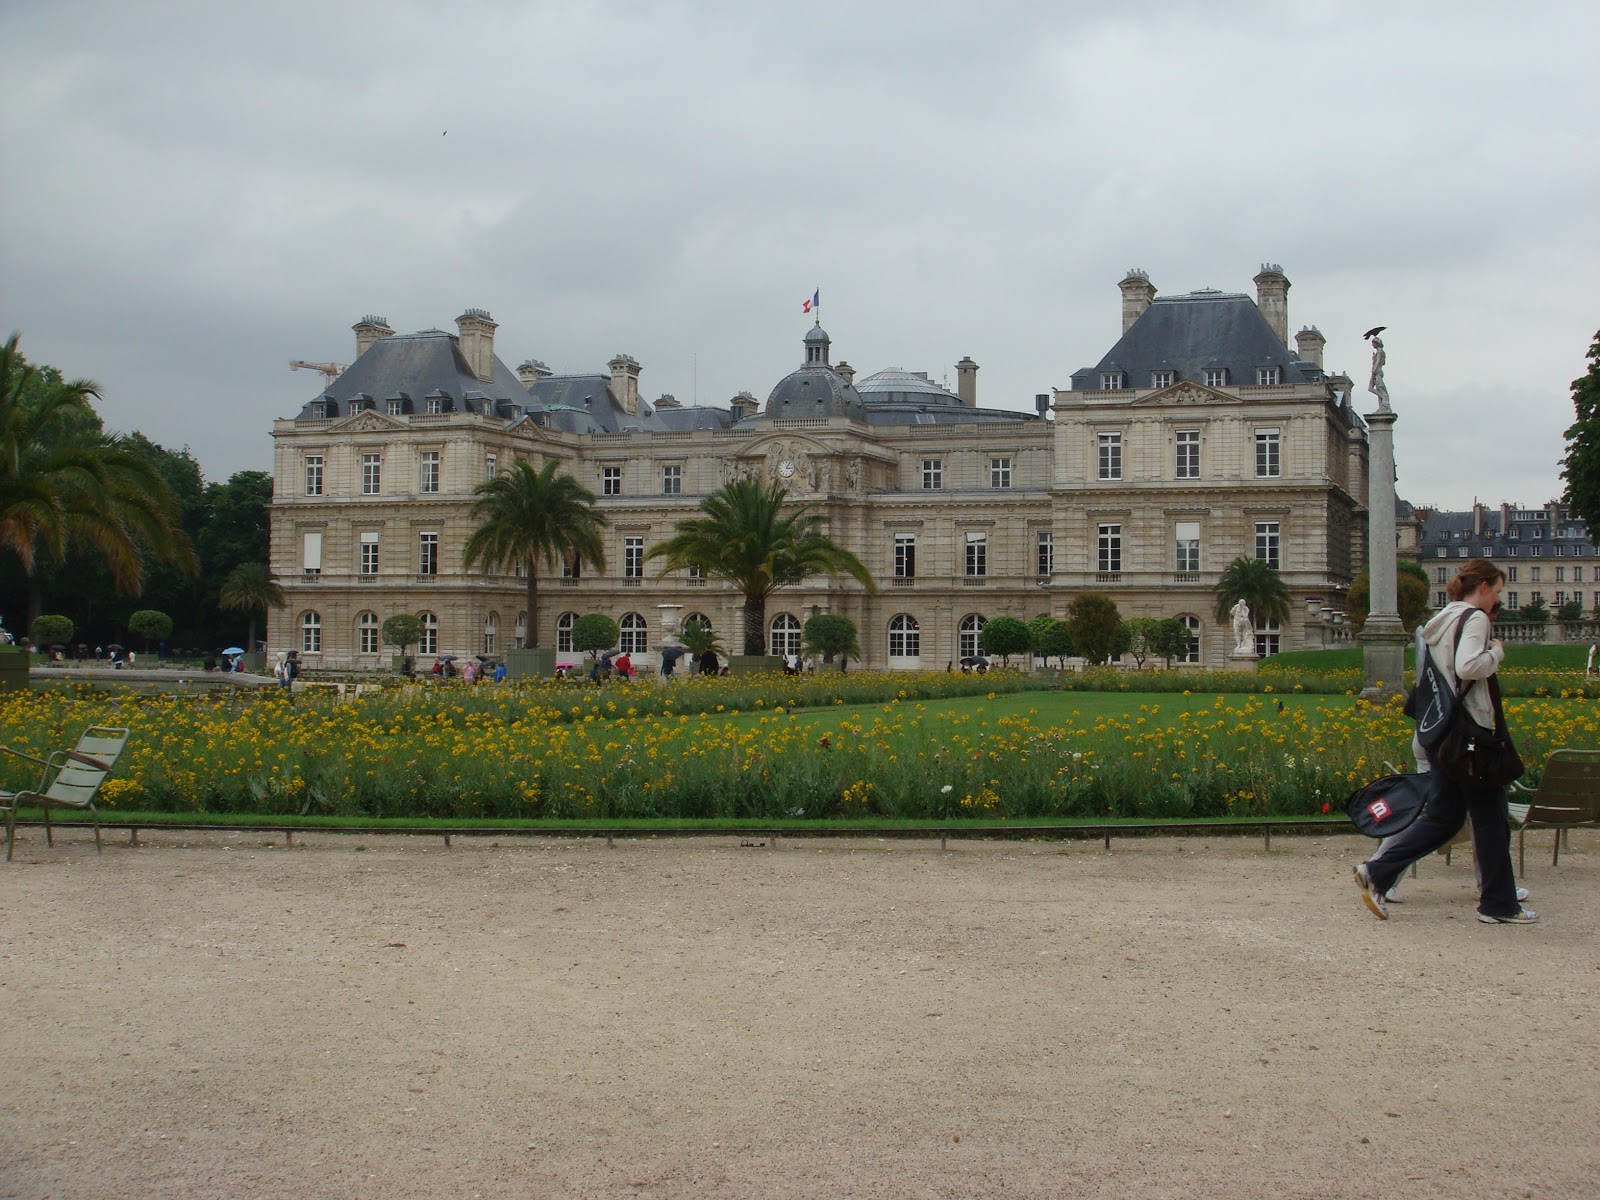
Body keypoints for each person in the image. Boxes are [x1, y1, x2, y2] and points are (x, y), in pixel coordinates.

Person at [1353, 559, 1536, 924]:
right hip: (1472, 738)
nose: (1497, 599)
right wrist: (1496, 653)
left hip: (1441, 733)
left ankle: (1378, 871)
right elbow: (1469, 667)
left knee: (1444, 817)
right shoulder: (1475, 618)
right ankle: (1498, 905)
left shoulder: (1444, 619)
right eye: (1497, 591)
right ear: (1482, 587)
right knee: (1491, 819)